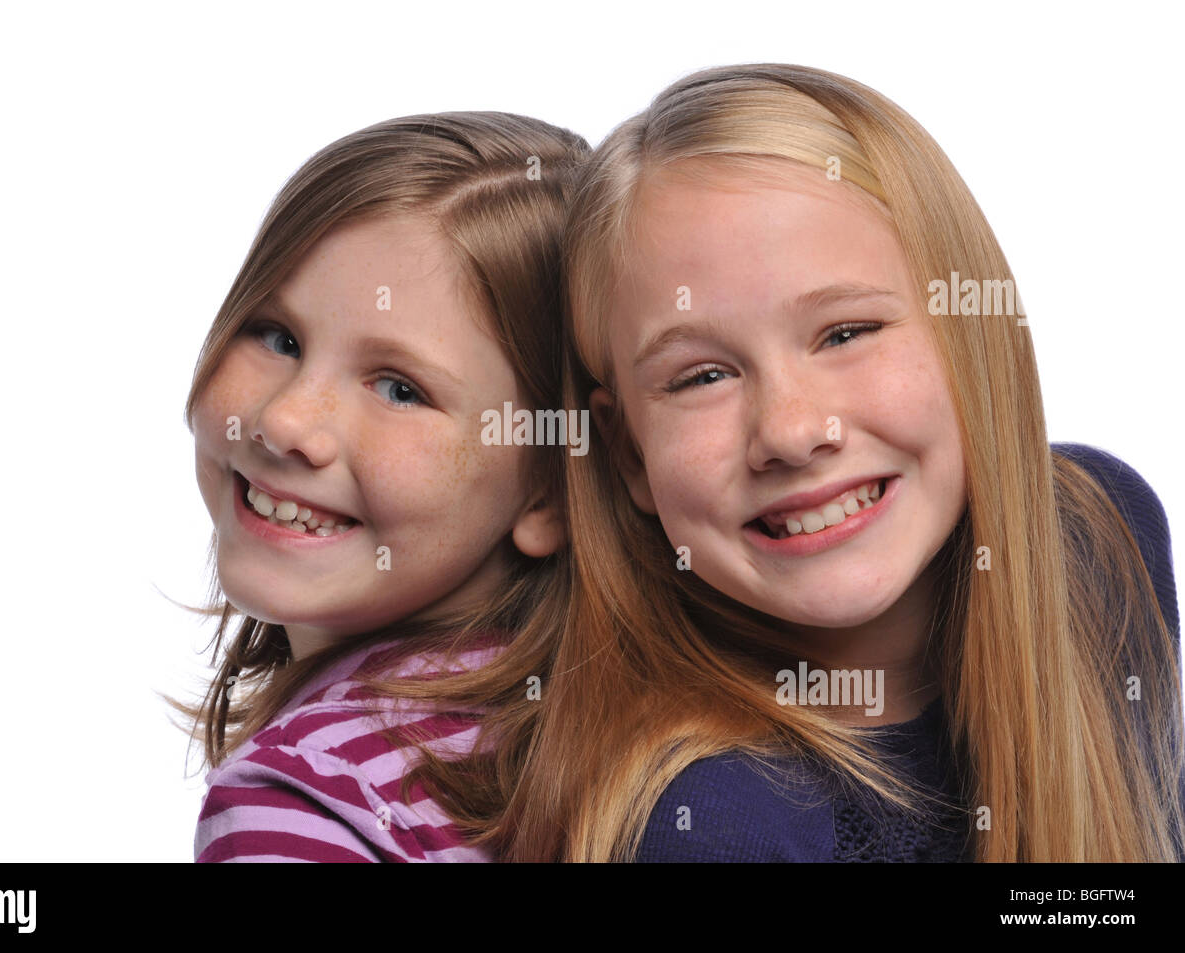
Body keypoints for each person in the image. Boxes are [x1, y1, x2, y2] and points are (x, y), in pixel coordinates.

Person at [484, 64, 1183, 861]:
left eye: (846, 333)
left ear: (970, 334)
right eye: (703, 376)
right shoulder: (711, 823)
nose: (790, 429)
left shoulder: (1096, 536)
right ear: (628, 455)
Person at [162, 112, 588, 861]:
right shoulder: (600, 742)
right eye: (278, 337)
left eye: (398, 388)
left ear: (549, 489)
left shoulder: (302, 806)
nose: (286, 419)